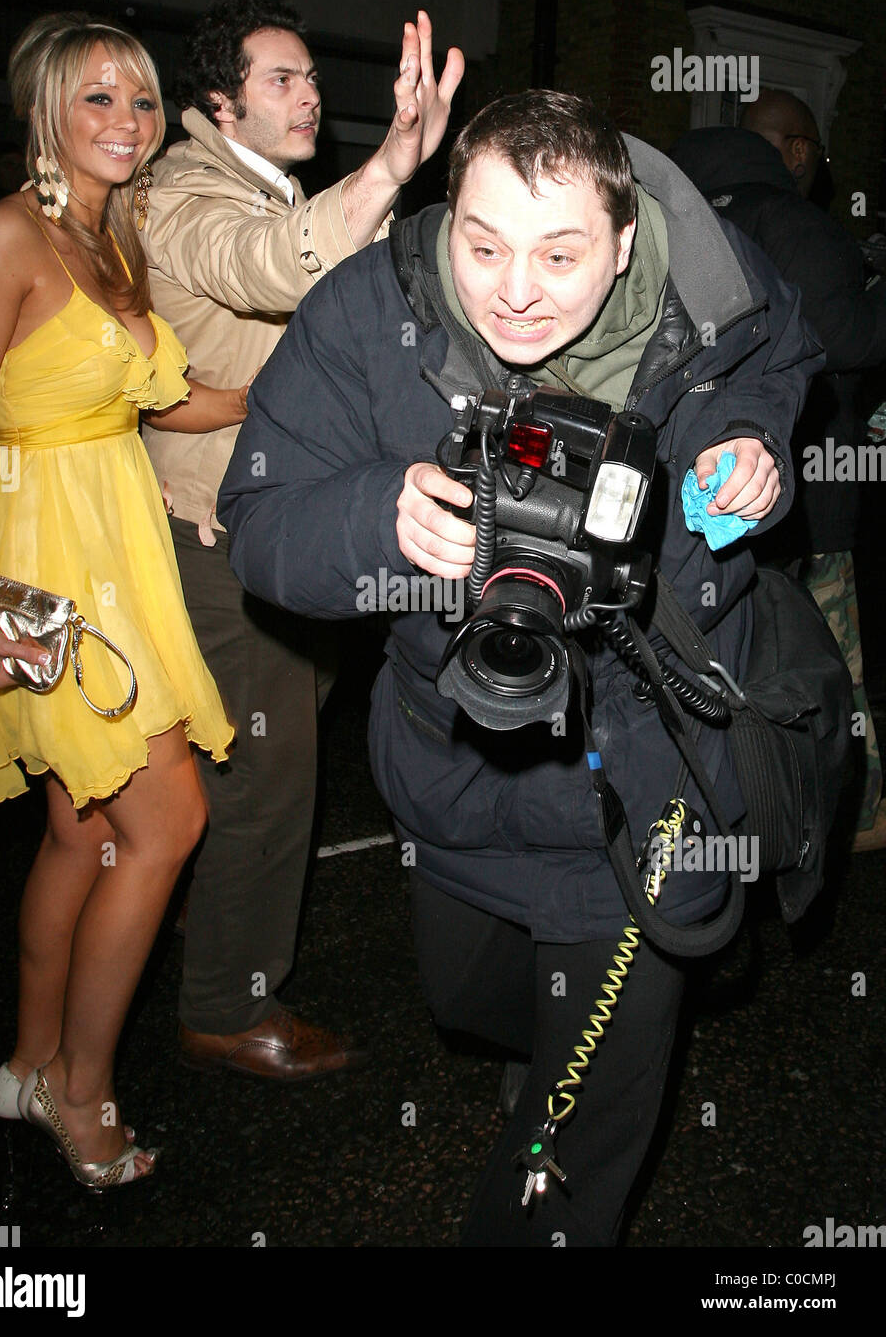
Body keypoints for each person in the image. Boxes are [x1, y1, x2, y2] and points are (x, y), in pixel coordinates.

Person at [217, 89, 822, 1244]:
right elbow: (256, 519)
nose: (513, 288)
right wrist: (371, 521)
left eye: (559, 253)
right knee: (467, 1001)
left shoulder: (710, 285)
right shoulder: (367, 312)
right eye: (482, 243)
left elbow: (779, 360)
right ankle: (538, 1055)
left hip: (652, 767)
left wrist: (751, 449)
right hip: (463, 762)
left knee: (570, 1138)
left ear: (626, 239)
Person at [0, 13, 237, 1189]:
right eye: (98, 98)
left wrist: (281, 399)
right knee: (167, 825)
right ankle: (81, 1091)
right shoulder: (1, 243)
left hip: (122, 551)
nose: (127, 120)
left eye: (144, 101)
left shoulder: (110, 246)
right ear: (45, 116)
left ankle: (23, 1064)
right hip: (49, 568)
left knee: (85, 830)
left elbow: (163, 399)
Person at [140, 0, 464, 1080]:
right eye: (281, 78)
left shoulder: (260, 181)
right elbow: (274, 265)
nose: (310, 93)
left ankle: (207, 917)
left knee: (251, 749)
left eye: (311, 75)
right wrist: (389, 166)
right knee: (272, 782)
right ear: (219, 100)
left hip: (283, 523)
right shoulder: (186, 193)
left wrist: (398, 165)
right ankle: (227, 1004)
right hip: (221, 535)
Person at [671, 90, 886, 849]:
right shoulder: (797, 224)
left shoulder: (685, 219)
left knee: (724, 655)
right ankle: (841, 816)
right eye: (817, 156)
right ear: (793, 152)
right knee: (826, 663)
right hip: (804, 492)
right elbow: (846, 341)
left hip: (696, 495)